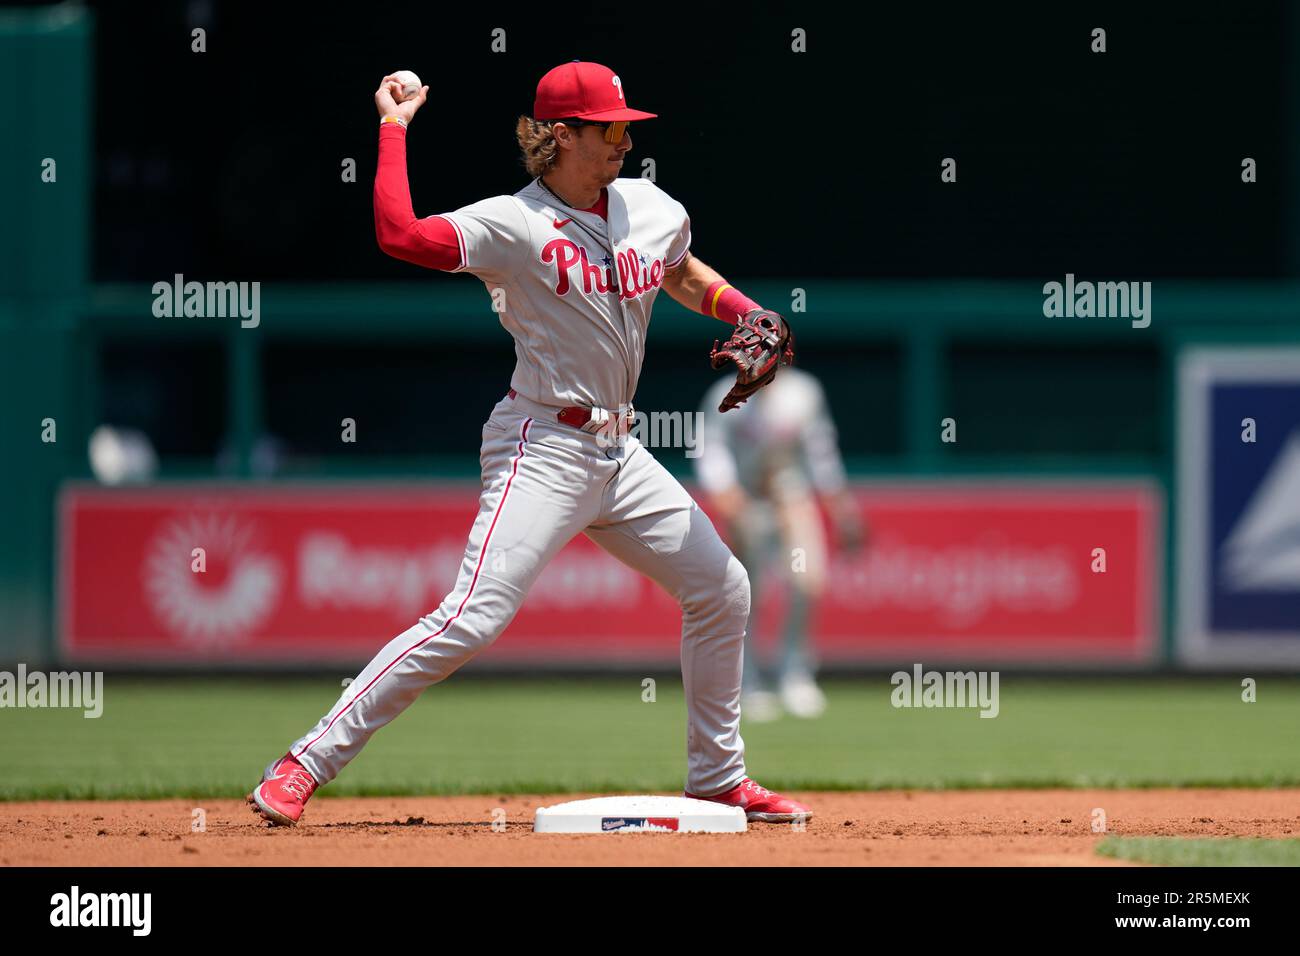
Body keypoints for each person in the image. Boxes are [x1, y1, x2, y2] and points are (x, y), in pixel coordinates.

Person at [247, 61, 811, 825]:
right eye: (608, 128)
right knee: (470, 617)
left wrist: (744, 311)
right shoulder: (514, 225)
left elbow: (677, 271)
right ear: (559, 135)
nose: (623, 140)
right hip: (541, 444)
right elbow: (399, 235)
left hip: (621, 452)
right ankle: (302, 763)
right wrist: (392, 128)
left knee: (723, 587)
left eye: (625, 127)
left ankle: (716, 776)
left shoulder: (647, 205)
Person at [695, 367, 864, 720]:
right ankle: (748, 682)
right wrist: (727, 495)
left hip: (792, 498)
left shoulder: (803, 393)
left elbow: (821, 452)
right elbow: (711, 451)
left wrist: (840, 506)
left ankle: (795, 674)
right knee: (746, 592)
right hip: (747, 502)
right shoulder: (724, 395)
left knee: (806, 581)